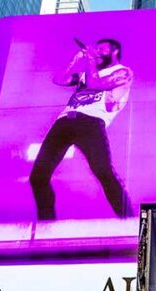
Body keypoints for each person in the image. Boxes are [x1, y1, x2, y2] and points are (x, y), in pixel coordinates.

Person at [30, 38, 134, 220]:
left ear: (114, 52)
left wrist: (90, 59)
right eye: (95, 49)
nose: (97, 52)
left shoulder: (122, 72)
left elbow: (95, 84)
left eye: (102, 49)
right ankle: (46, 225)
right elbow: (58, 79)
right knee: (38, 176)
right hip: (64, 122)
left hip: (90, 122)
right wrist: (76, 59)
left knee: (103, 171)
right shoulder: (87, 74)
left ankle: (129, 221)